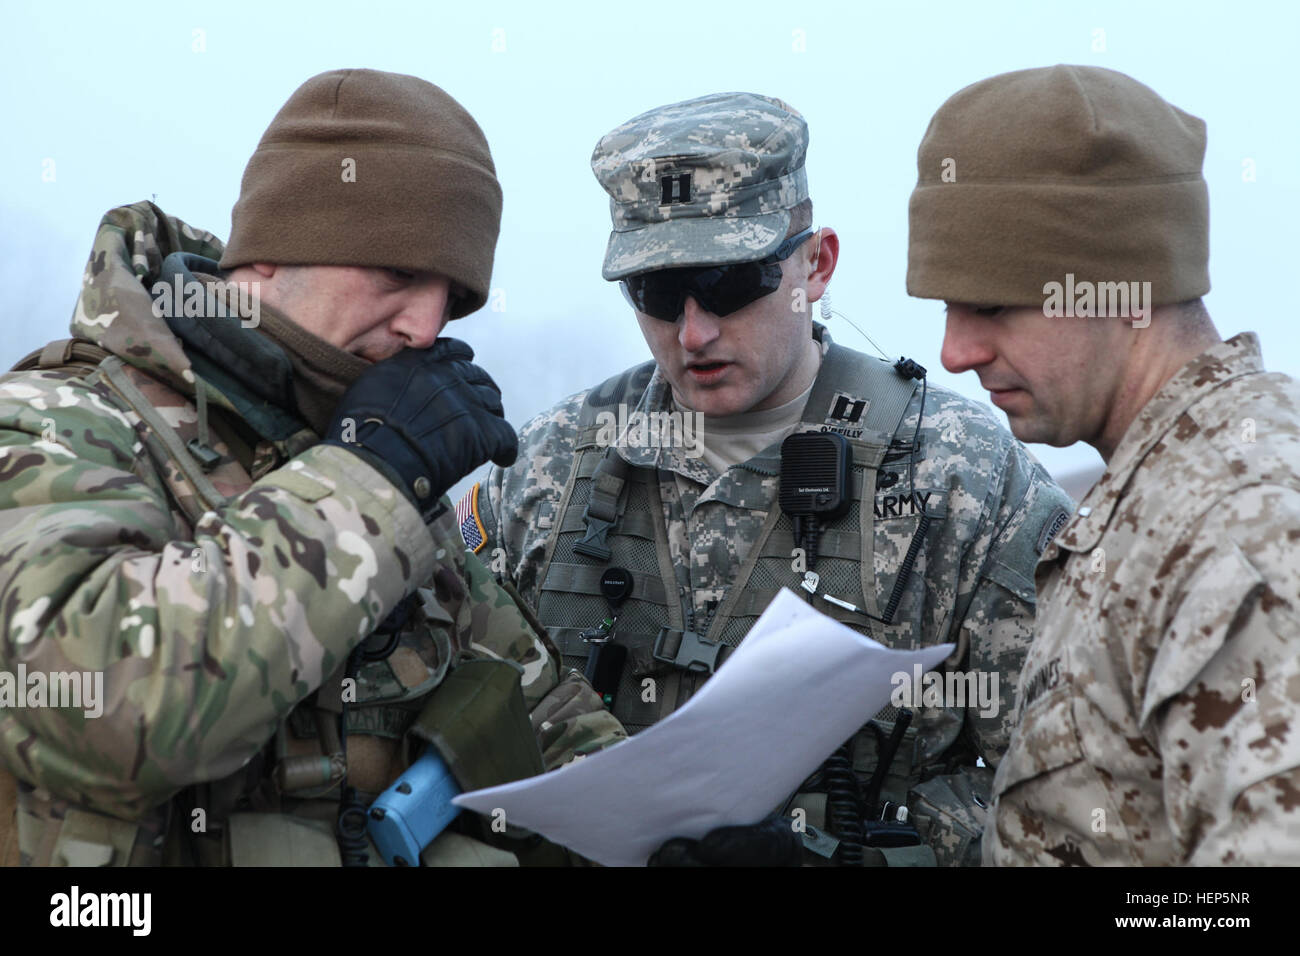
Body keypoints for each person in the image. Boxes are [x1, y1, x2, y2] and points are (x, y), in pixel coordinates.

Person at [0, 68, 624, 867]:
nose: (425, 328)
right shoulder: (58, 421)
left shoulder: (356, 457)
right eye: (399, 273)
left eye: (454, 297)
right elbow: (104, 710)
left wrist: (664, 826)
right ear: (269, 253)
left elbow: (546, 717)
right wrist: (370, 485)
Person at [462, 91, 1073, 866]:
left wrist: (873, 857)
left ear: (814, 265)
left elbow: (1070, 776)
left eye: (729, 283)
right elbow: (443, 735)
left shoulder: (959, 474)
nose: (694, 332)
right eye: (656, 293)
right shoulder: (547, 468)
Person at [907, 64, 1300, 865]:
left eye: (991, 305)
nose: (955, 352)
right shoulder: (1156, 491)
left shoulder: (1245, 523)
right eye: (946, 307)